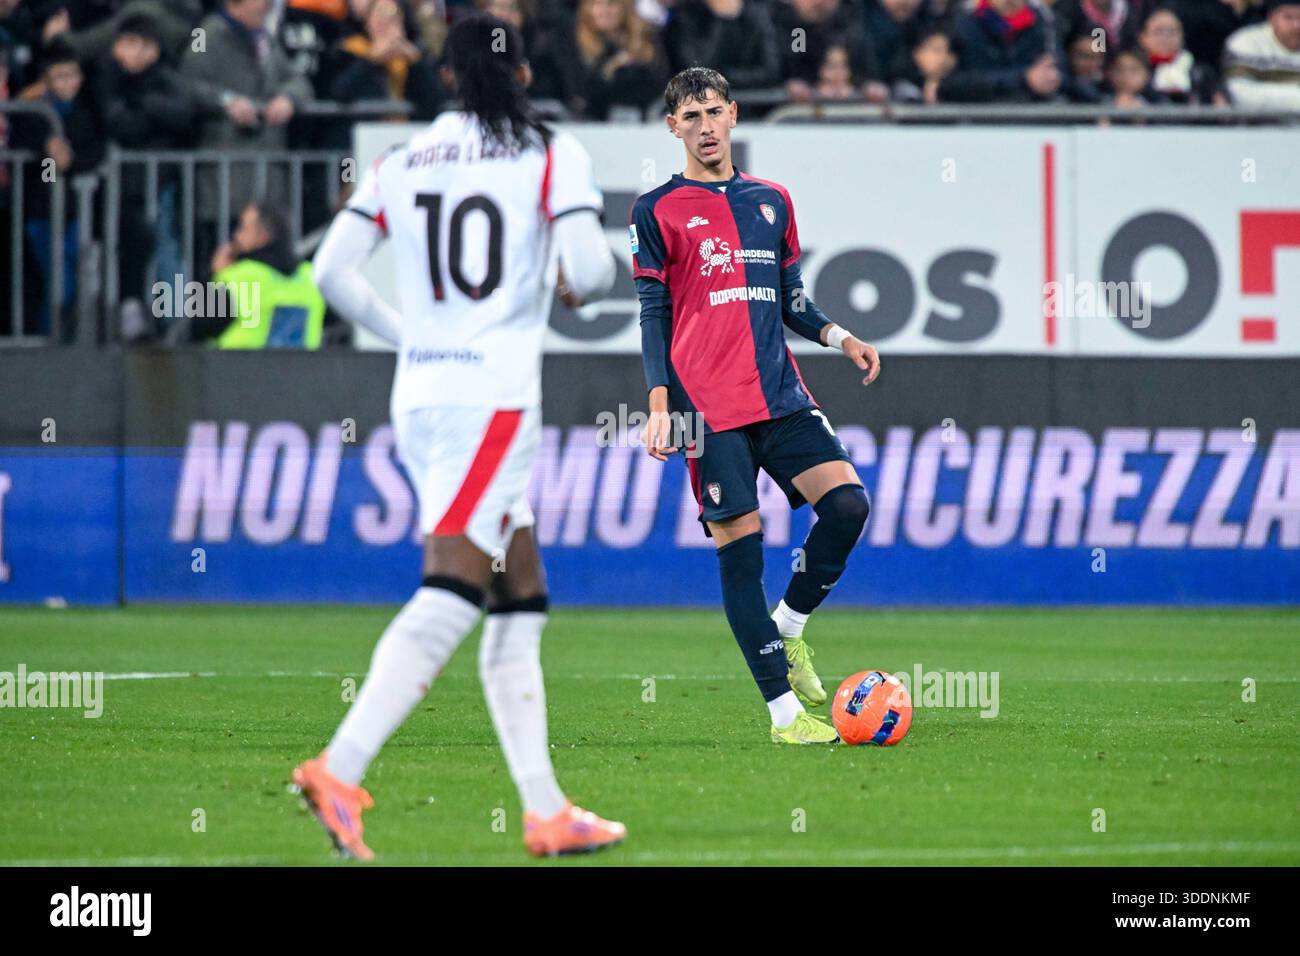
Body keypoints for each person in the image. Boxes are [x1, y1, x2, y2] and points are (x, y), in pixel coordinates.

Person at [298, 14, 624, 860]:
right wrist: (571, 282)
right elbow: (590, 271)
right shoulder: (550, 152)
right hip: (494, 397)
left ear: (445, 77)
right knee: (456, 582)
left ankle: (548, 811)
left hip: (423, 394)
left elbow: (330, 271)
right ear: (522, 77)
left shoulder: (400, 160)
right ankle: (340, 766)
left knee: (521, 593)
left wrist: (406, 328)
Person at [630, 67, 881, 745]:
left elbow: (791, 298)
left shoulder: (771, 200)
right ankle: (783, 717)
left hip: (780, 394)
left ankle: (791, 628)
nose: (705, 127)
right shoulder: (656, 210)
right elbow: (653, 311)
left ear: (734, 115)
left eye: (714, 112)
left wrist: (839, 336)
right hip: (705, 409)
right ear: (672, 127)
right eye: (691, 116)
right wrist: (659, 404)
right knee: (742, 554)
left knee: (849, 506)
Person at [201, 201, 326, 349]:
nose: (236, 236)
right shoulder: (312, 276)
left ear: (262, 237)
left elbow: (198, 328)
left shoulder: (240, 276)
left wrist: (214, 276)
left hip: (237, 370)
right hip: (302, 370)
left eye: (243, 228)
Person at [1223, 0, 1300, 109]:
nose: (1297, 26)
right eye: (1288, 18)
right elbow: (1239, 95)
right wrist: (1295, 98)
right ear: (1272, 18)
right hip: (1257, 123)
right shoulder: (1246, 42)